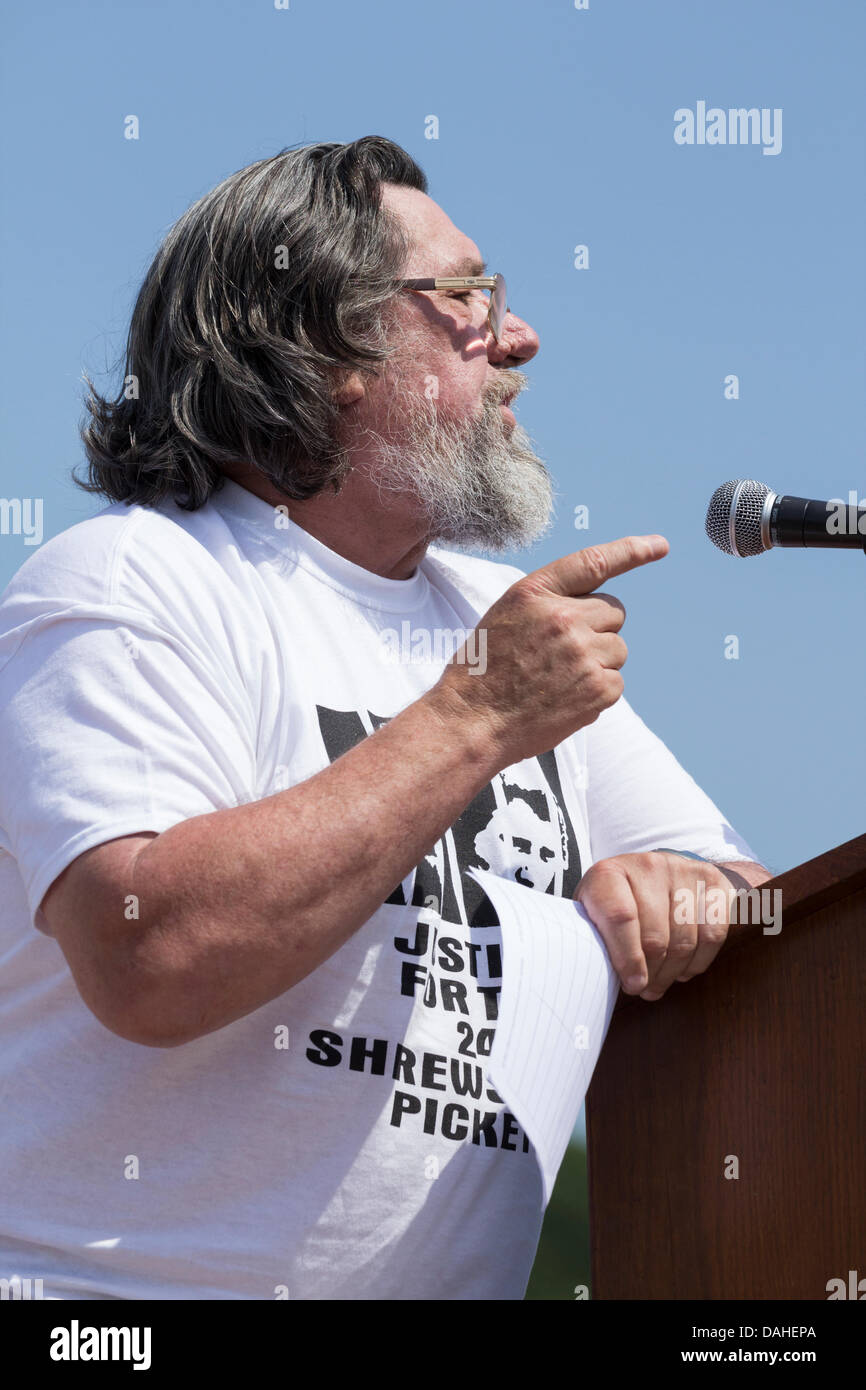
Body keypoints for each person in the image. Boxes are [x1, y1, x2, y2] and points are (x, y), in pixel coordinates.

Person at [0, 137, 770, 1301]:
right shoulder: (128, 583)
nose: (517, 340)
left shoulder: (498, 624)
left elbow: (738, 888)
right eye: (466, 297)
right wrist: (475, 717)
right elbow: (147, 952)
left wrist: (689, 897)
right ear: (323, 343)